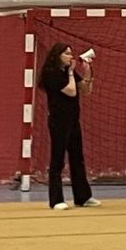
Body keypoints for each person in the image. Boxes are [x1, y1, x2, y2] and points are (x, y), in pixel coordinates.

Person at [39, 43, 95, 211]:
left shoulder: (68, 73)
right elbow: (70, 91)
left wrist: (87, 72)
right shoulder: (52, 73)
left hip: (73, 120)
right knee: (57, 160)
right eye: (67, 54)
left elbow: (84, 90)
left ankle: (83, 197)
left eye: (71, 53)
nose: (71, 57)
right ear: (58, 55)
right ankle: (56, 200)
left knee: (77, 159)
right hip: (58, 121)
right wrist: (71, 71)